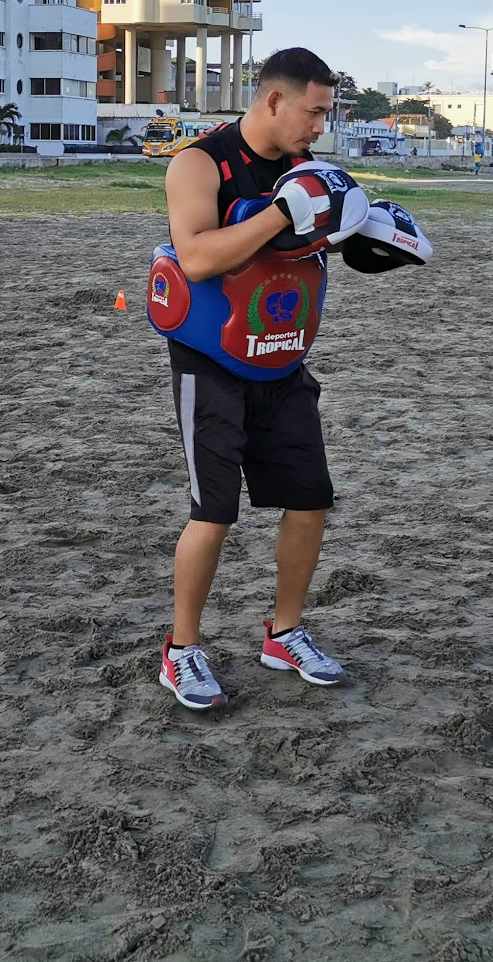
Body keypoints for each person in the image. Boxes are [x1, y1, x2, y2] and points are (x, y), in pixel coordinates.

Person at [152, 49, 360, 708]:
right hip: (210, 363)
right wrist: (281, 212)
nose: (319, 127)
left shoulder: (310, 170)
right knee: (213, 515)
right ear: (275, 99)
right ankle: (181, 650)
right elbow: (196, 254)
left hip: (282, 357)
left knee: (310, 499)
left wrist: (373, 235)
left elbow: (331, 236)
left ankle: (284, 632)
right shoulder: (199, 162)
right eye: (314, 111)